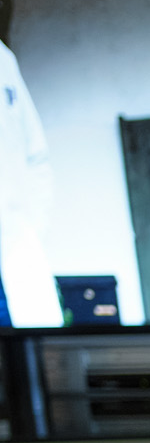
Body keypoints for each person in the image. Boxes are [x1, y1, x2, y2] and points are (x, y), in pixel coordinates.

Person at [0, 39, 62, 329]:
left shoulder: (3, 59)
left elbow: (36, 157)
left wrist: (30, 230)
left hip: (14, 254)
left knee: (30, 363)